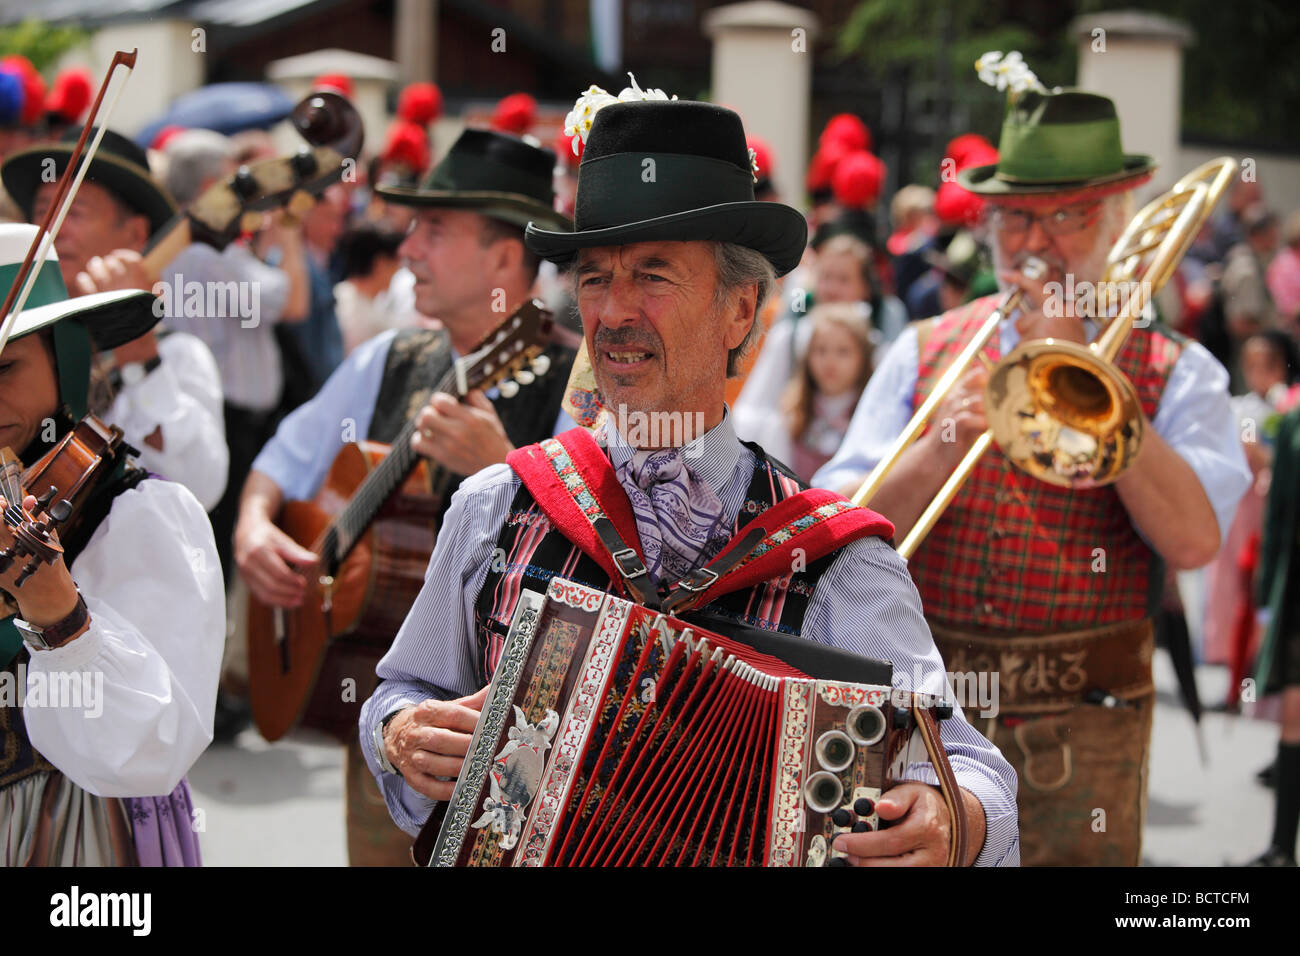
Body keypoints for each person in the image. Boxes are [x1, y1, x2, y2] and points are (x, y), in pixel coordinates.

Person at [361, 91, 1019, 867]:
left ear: (740, 310)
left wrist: (953, 818)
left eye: (654, 276)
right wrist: (399, 733)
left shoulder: (835, 559)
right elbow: (402, 688)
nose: (613, 312)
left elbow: (971, 765)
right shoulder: (496, 506)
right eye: (596, 279)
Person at [814, 82, 1251, 866]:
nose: (1036, 239)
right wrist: (944, 443)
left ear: (1119, 220)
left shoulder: (1181, 373)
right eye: (1017, 215)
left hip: (1084, 727)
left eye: (1067, 213)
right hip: (928, 714)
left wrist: (1092, 385)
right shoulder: (925, 350)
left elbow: (1192, 540)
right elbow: (840, 531)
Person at [234, 128, 577, 866]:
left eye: (435, 229)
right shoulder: (392, 357)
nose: (409, 247)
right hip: (387, 716)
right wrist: (256, 529)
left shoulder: (574, 383)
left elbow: (601, 558)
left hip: (512, 734)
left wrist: (504, 465)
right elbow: (281, 460)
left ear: (505, 258)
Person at [0, 224, 223, 865]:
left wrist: (61, 621)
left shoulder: (138, 513)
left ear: (67, 356)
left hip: (72, 823)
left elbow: (152, 745)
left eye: (6, 366)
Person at [1, 126, 228, 511]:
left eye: (75, 212)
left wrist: (138, 351)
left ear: (135, 233)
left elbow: (200, 487)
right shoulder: (14, 336)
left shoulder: (179, 357)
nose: (52, 228)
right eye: (42, 211)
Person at [159, 129, 310, 583]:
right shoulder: (208, 249)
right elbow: (295, 303)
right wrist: (290, 233)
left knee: (216, 553)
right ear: (210, 188)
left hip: (230, 420)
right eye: (234, 183)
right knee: (217, 559)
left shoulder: (199, 244)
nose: (246, 196)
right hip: (229, 422)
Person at [1249, 401, 1300, 865]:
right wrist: (1266, 598)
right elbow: (1279, 516)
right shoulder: (1293, 421)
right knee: (1295, 716)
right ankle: (1283, 847)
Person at [751, 303, 873, 482]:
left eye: (843, 352)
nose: (830, 362)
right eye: (821, 350)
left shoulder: (869, 417)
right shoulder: (790, 416)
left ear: (862, 358)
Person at [333, 222, 415, 354]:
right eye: (395, 263)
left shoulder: (339, 294)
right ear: (381, 264)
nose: (397, 270)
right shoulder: (368, 321)